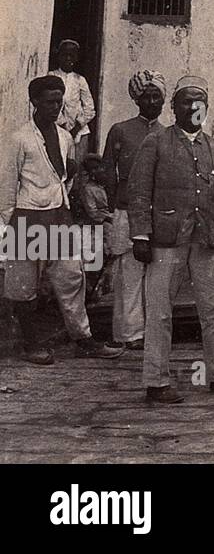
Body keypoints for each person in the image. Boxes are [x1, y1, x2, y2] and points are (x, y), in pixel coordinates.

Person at [127, 75, 214, 403]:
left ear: (206, 108)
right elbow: (139, 191)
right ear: (174, 107)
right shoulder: (156, 142)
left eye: (199, 101)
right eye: (186, 100)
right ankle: (156, 382)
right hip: (166, 242)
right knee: (159, 311)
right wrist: (140, 235)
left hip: (206, 241)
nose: (193, 106)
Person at [0, 75, 121, 364]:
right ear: (35, 102)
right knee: (24, 283)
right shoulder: (19, 139)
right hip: (26, 219)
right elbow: (6, 186)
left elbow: (64, 181)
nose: (55, 107)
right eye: (50, 101)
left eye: (59, 101)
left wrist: (60, 203)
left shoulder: (66, 137)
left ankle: (84, 339)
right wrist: (6, 228)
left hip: (58, 216)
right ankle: (31, 345)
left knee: (71, 277)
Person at [101, 70, 166, 349]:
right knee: (129, 272)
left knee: (156, 274)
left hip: (159, 212)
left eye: (157, 96)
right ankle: (129, 333)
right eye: (146, 97)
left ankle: (152, 331)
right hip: (127, 209)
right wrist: (116, 204)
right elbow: (108, 171)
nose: (152, 102)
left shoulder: (167, 134)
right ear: (136, 100)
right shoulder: (121, 130)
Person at [71, 153, 111, 303]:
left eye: (99, 168)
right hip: (92, 228)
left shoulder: (102, 187)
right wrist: (108, 218)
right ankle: (86, 295)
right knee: (92, 261)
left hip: (103, 225)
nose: (98, 171)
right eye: (93, 169)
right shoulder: (88, 189)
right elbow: (93, 212)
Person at [49, 39, 96, 165]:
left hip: (79, 132)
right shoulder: (52, 76)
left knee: (77, 167)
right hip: (57, 129)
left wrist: (77, 127)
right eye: (64, 55)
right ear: (59, 56)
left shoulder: (80, 80)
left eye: (72, 55)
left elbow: (90, 108)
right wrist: (63, 125)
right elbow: (50, 103)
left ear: (76, 58)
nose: (68, 58)